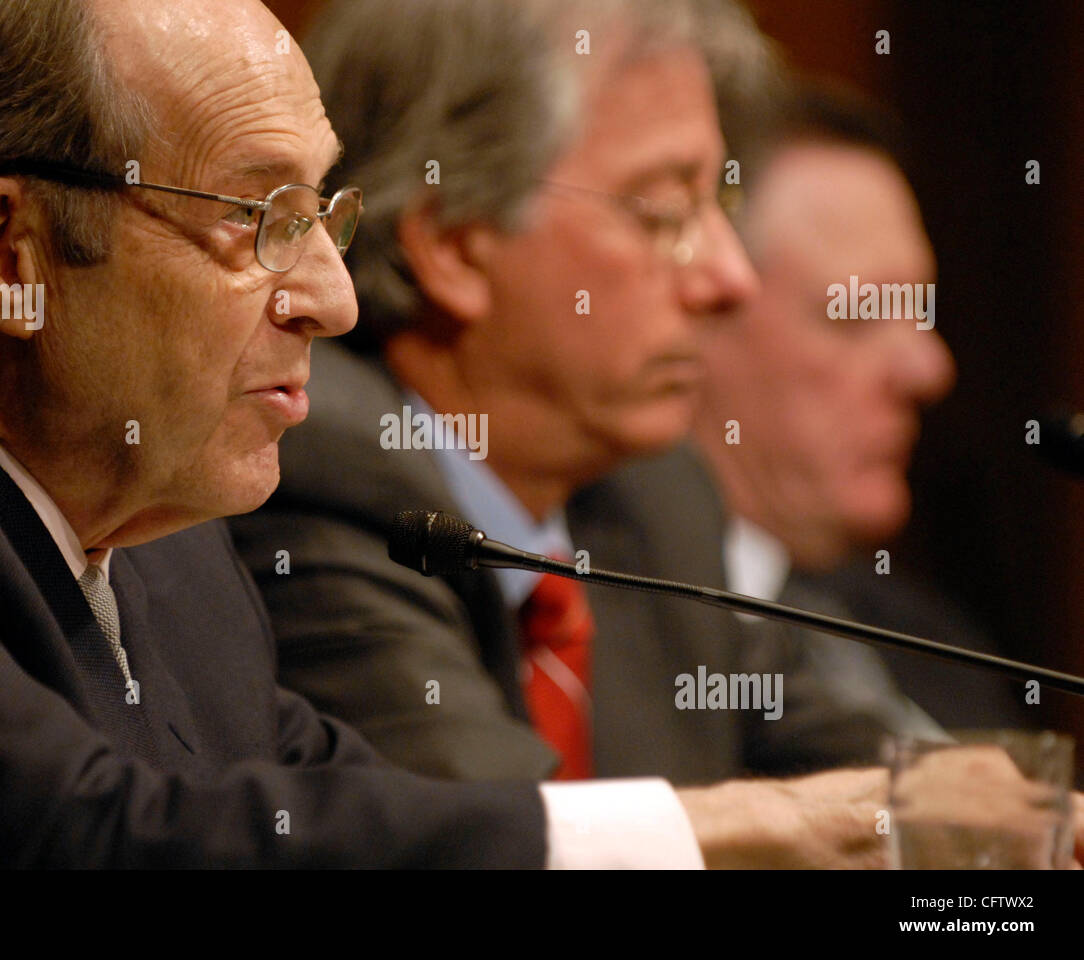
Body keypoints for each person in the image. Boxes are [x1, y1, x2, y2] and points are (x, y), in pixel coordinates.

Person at [0, 0, 903, 870]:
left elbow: (372, 821)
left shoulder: (168, 542)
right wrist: (761, 834)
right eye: (258, 217)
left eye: (322, 215)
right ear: (3, 256)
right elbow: (85, 839)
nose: (332, 296)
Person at [229, 0, 939, 787]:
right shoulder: (322, 471)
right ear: (458, 244)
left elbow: (861, 772)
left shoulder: (654, 499)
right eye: (664, 211)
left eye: (722, 206)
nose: (731, 277)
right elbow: (503, 835)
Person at [691, 85, 1026, 730]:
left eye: (921, 308)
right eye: (860, 315)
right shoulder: (591, 638)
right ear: (701, 310)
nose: (929, 370)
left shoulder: (939, 655)